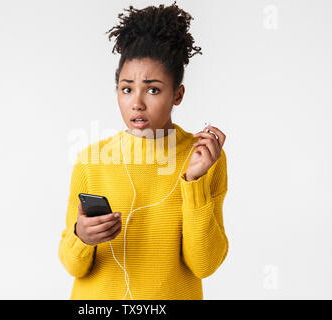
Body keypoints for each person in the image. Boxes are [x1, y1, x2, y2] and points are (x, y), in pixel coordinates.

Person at [58, 1, 228, 300]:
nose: (136, 102)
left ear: (178, 94)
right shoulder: (91, 160)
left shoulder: (203, 157)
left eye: (152, 89)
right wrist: (81, 237)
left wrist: (194, 182)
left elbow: (204, 264)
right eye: (126, 89)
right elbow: (73, 266)